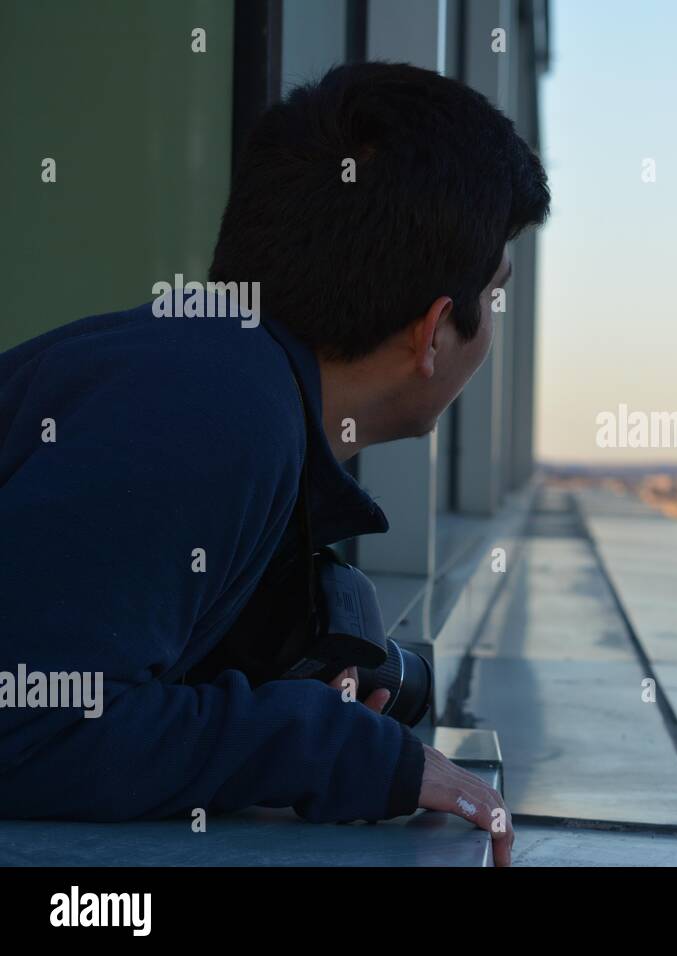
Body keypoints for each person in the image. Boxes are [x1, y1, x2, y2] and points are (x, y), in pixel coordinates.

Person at [0, 62, 549, 868]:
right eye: (492, 297)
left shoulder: (213, 372)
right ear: (434, 331)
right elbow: (30, 726)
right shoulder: (213, 408)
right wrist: (331, 750)